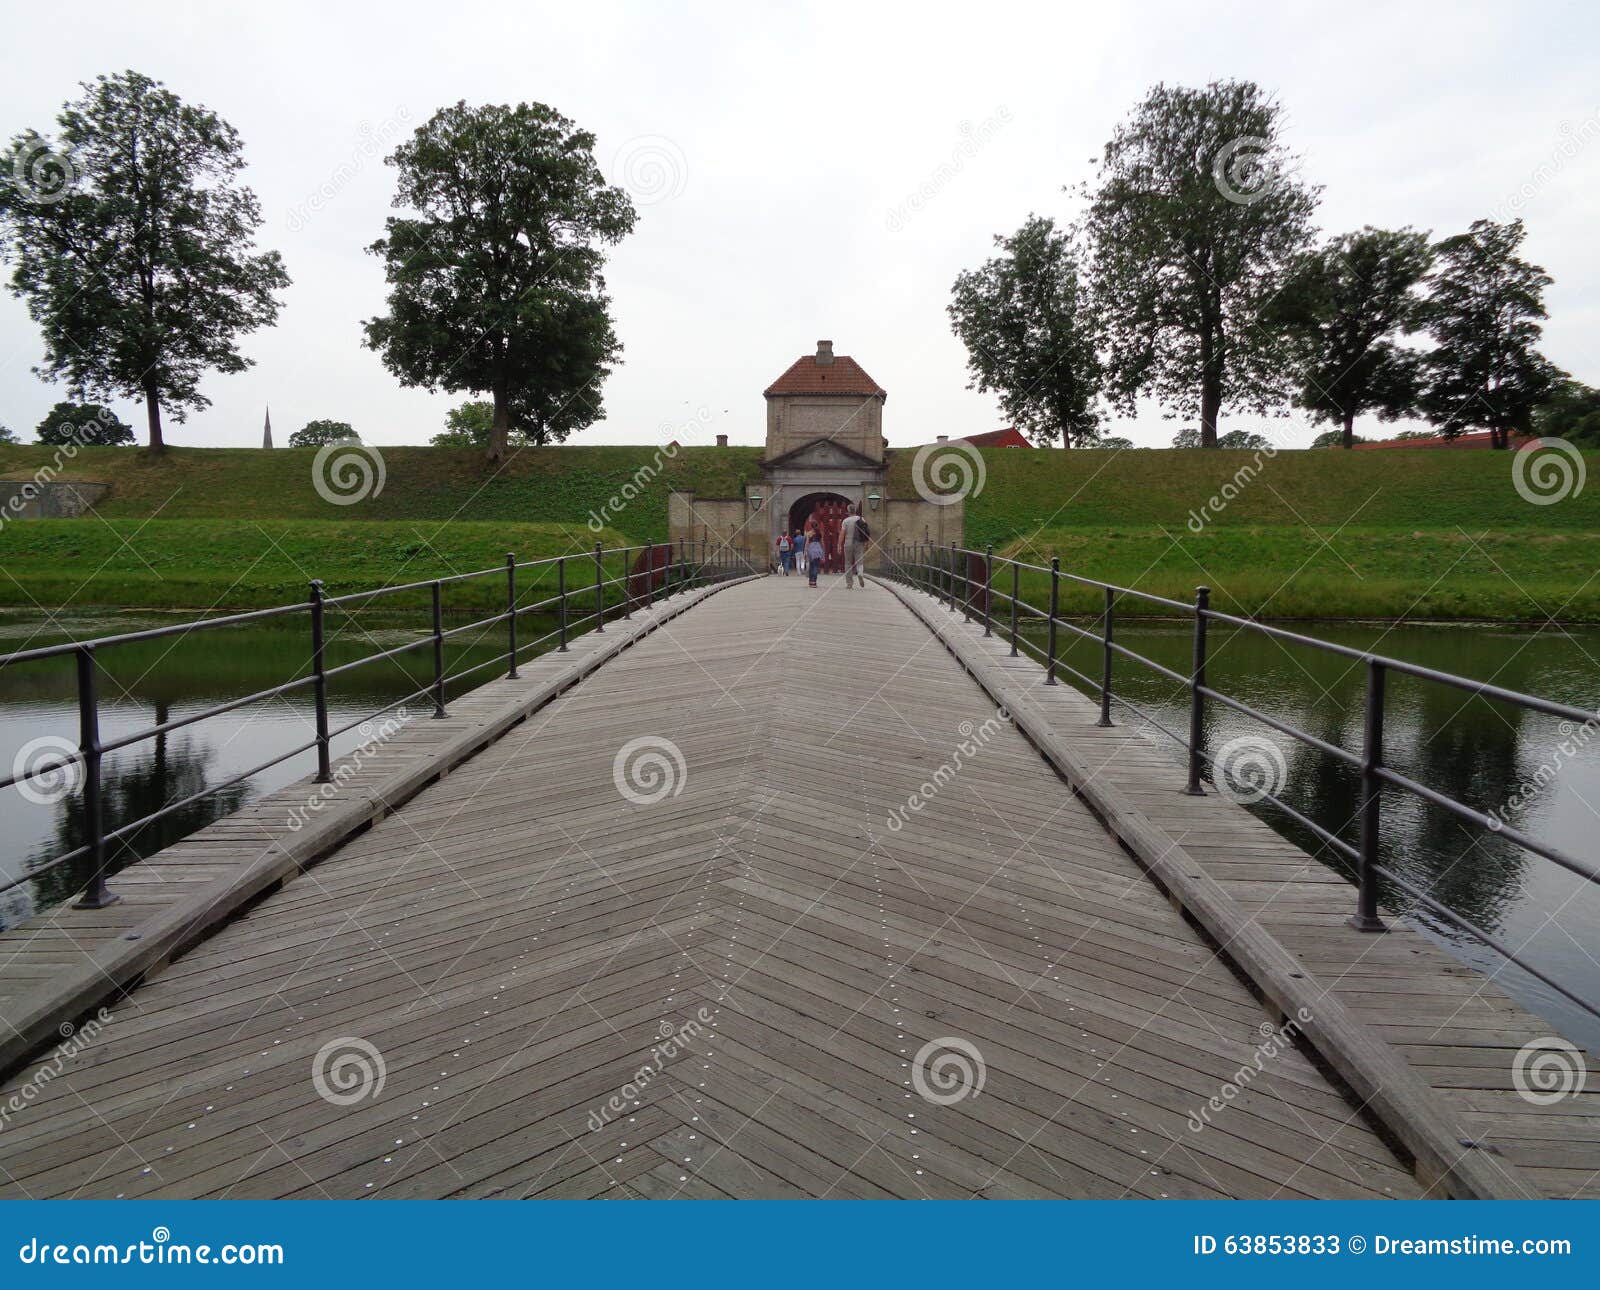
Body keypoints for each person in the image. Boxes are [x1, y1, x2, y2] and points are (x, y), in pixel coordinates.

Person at [839, 503, 869, 589]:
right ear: (855, 510)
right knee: (859, 561)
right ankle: (860, 573)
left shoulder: (846, 521)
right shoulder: (861, 519)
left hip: (848, 543)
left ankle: (849, 583)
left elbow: (842, 534)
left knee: (848, 563)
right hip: (859, 543)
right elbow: (866, 532)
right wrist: (867, 543)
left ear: (848, 511)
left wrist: (839, 545)